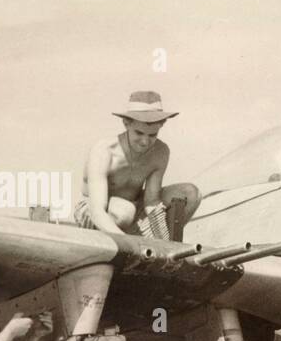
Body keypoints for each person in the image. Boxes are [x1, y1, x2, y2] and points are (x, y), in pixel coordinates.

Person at [74, 91, 201, 240]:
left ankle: (155, 246)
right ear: (126, 123)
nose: (145, 142)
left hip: (132, 209)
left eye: (152, 135)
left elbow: (151, 202)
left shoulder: (160, 152)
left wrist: (164, 241)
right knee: (124, 211)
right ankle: (124, 244)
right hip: (95, 211)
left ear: (161, 125)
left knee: (191, 193)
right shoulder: (103, 151)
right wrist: (129, 246)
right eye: (139, 133)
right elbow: (97, 210)